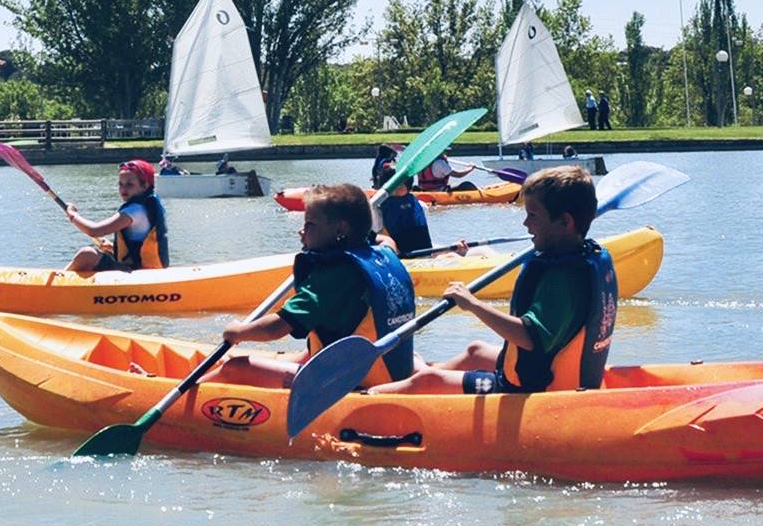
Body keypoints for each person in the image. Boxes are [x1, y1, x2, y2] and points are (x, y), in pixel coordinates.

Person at [373, 166, 617, 396]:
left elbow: (529, 337)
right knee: (475, 352)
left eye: (533, 215)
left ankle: (369, 397)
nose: (526, 223)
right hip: (551, 370)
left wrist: (473, 304)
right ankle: (416, 372)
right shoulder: (583, 257)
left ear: (564, 222)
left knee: (430, 383)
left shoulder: (563, 278)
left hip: (538, 388)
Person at [214, 183, 415, 389]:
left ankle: (181, 405)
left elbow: (278, 327)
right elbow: (385, 239)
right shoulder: (385, 253)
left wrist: (237, 332)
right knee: (306, 354)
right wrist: (361, 235)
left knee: (234, 367)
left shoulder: (332, 276)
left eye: (310, 224)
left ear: (341, 229)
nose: (301, 231)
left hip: (353, 383)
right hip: (391, 371)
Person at [65, 160, 169, 274]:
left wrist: (73, 215)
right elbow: (137, 243)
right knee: (99, 253)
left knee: (87, 254)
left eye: (129, 184)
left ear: (145, 186)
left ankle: (54, 284)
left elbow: (94, 231)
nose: (123, 189)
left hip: (138, 274)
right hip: (142, 270)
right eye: (121, 184)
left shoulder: (134, 210)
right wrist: (112, 247)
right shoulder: (146, 206)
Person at [376, 177, 434, 255]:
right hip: (399, 253)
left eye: (400, 185)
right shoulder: (378, 209)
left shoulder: (420, 205)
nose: (398, 188)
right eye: (396, 185)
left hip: (422, 252)